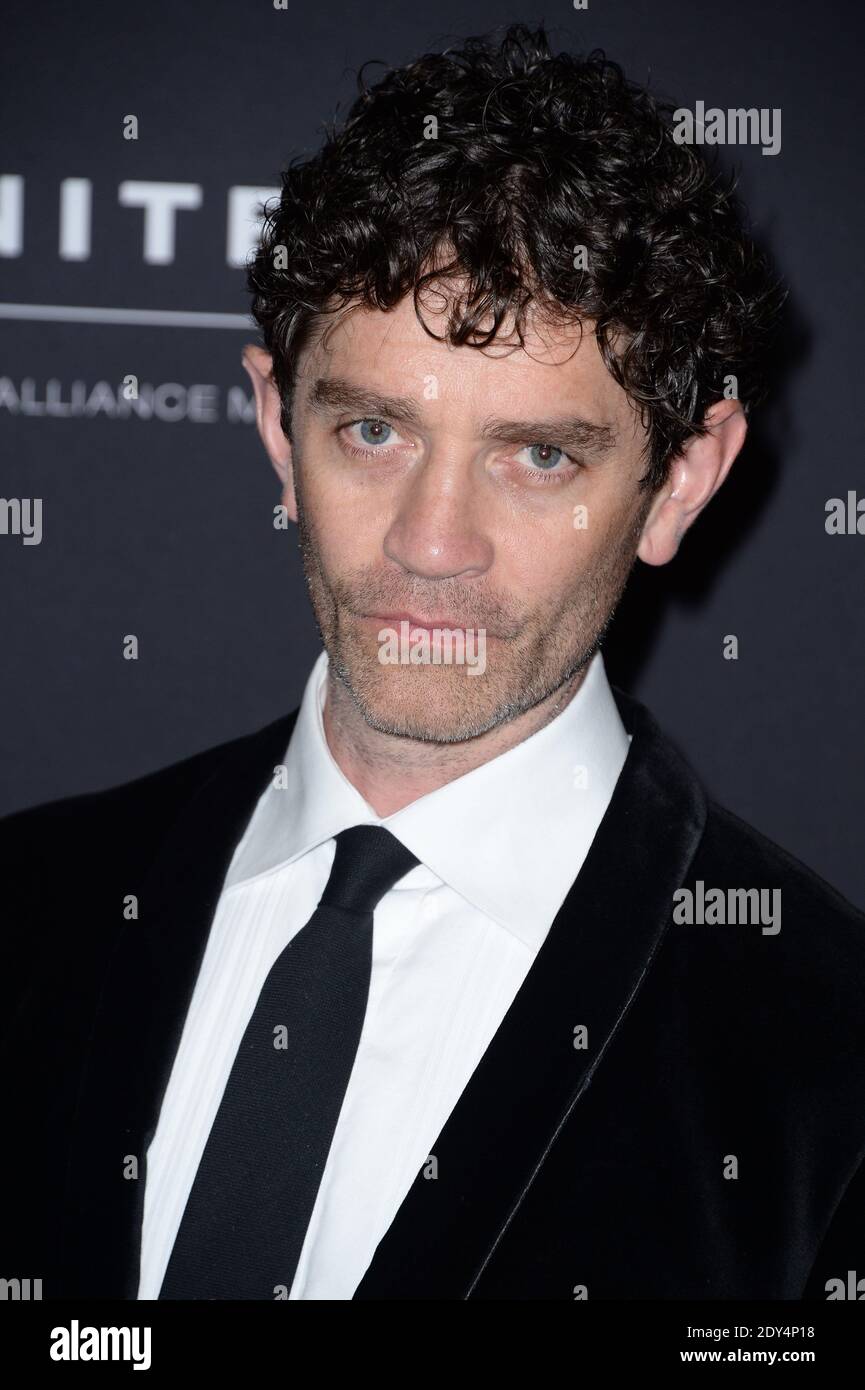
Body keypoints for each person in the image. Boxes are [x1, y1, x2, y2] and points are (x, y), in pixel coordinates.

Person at [3, 23, 864, 1302]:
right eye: (372, 429)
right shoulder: (31, 905)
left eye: (539, 456)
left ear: (682, 480)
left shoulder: (828, 1063)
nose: (432, 543)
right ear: (278, 431)